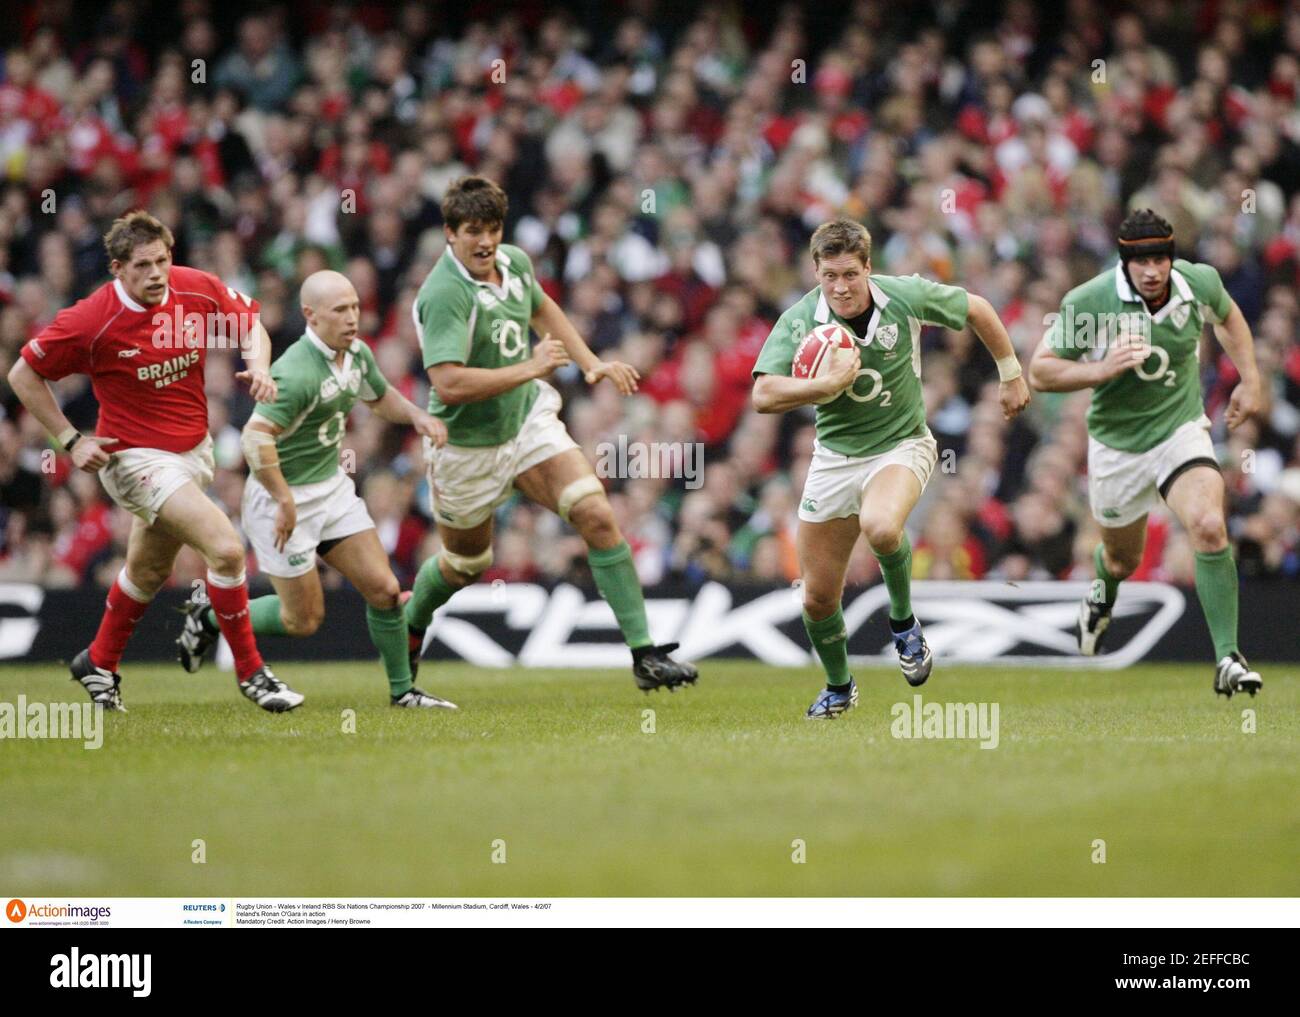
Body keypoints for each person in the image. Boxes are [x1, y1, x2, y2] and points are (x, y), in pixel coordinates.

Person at [404, 175, 698, 692]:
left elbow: (542, 309)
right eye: (472, 230)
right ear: (450, 234)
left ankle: (645, 654)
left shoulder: (514, 263)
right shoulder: (445, 293)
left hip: (526, 423)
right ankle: (410, 622)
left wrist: (590, 362)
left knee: (596, 513)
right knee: (466, 563)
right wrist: (531, 367)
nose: (485, 241)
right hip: (467, 446)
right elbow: (447, 384)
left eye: (492, 228)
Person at [6, 210, 302, 712]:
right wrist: (70, 440)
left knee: (145, 572)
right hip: (136, 460)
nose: (157, 274)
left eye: (162, 261)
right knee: (228, 551)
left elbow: (249, 323)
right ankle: (254, 674)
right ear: (117, 268)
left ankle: (98, 662)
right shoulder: (91, 319)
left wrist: (257, 367)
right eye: (142, 265)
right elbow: (22, 373)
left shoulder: (195, 287)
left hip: (193, 453)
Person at [752, 219, 1030, 719]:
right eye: (829, 275)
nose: (840, 287)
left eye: (850, 274)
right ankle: (839, 686)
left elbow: (977, 309)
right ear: (815, 271)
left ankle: (903, 624)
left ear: (868, 268)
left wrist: (1010, 372)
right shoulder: (800, 320)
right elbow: (763, 394)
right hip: (834, 459)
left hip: (902, 445)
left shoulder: (902, 296)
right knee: (817, 599)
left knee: (880, 526)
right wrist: (822, 387)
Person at [175, 270, 457, 708]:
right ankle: (212, 615)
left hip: (331, 489)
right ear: (310, 315)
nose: (352, 318)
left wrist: (418, 417)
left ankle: (403, 693)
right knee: (304, 619)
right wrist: (284, 499)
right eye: (340, 310)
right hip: (280, 499)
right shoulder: (296, 372)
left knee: (384, 590)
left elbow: (378, 395)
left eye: (355, 307)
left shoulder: (357, 354)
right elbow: (254, 438)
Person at [1028, 208, 1264, 698]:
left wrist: (1251, 379)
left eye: (1160, 258)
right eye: (1142, 261)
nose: (1153, 270)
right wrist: (1102, 368)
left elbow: (1229, 317)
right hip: (1118, 447)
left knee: (1208, 524)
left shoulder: (1197, 282)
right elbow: (1041, 371)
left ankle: (1228, 657)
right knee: (1121, 559)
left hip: (1180, 431)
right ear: (1124, 262)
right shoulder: (1090, 300)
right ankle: (1102, 593)